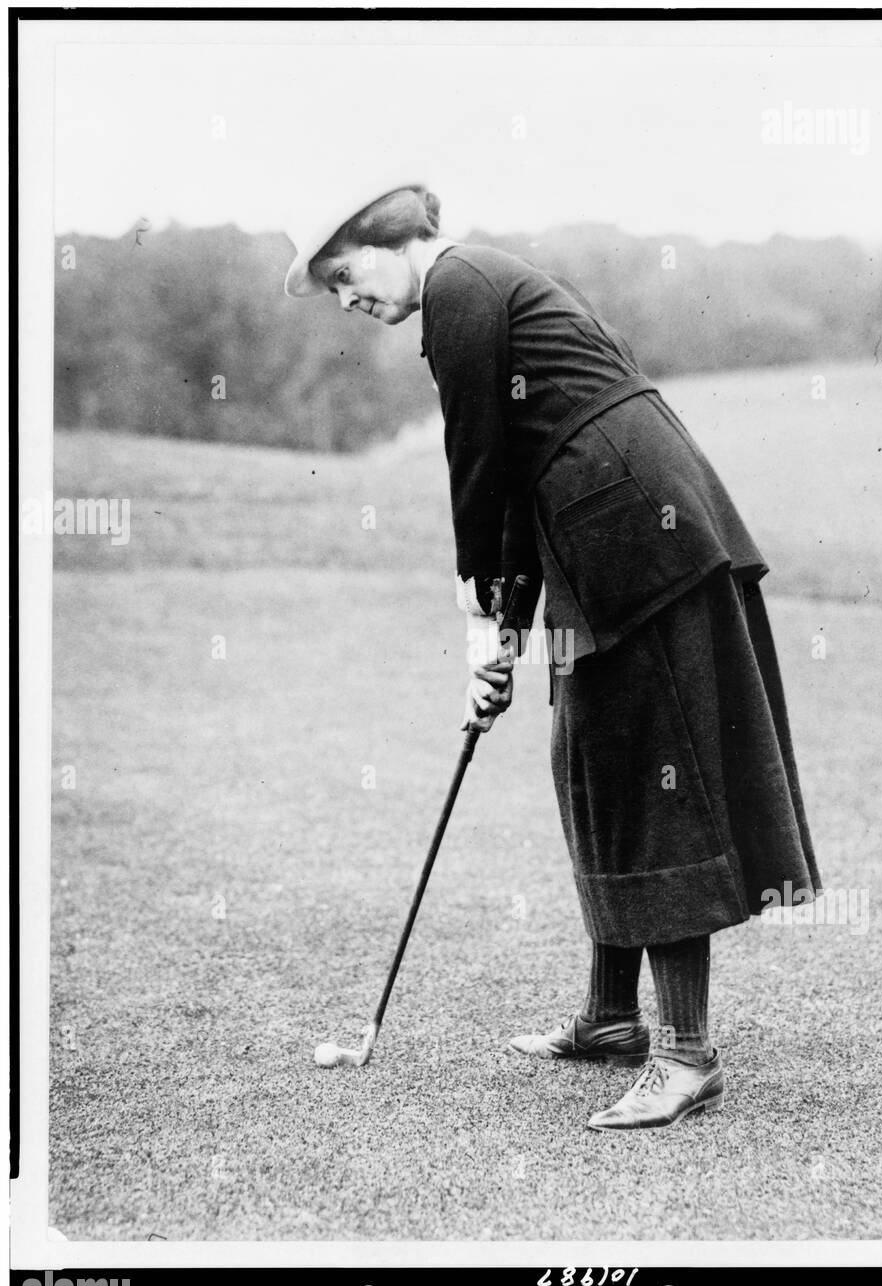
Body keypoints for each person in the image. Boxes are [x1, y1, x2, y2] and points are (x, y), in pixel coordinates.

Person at [284, 178, 821, 1131]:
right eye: (329, 288)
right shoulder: (475, 287)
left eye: (343, 272)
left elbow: (479, 464)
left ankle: (686, 1056)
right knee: (592, 762)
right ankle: (613, 1019)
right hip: (600, 539)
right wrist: (507, 628)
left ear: (388, 236)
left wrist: (478, 621)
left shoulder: (456, 285)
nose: (344, 298)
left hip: (637, 542)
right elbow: (519, 473)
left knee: (646, 778)